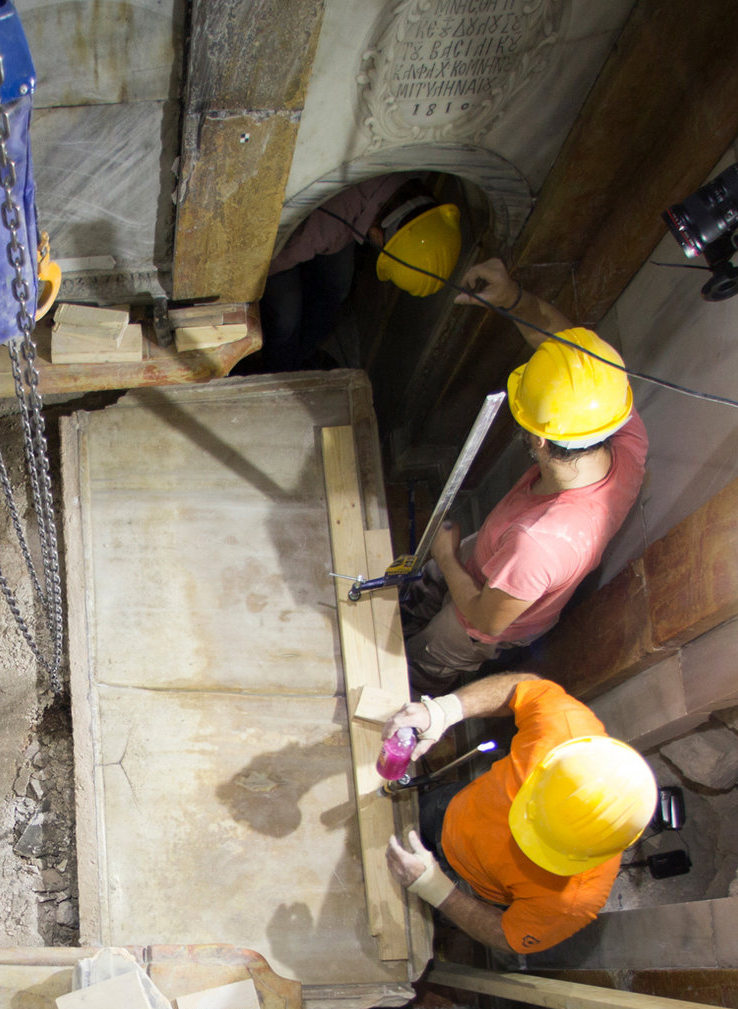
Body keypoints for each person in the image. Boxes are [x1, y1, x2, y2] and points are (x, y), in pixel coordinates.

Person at [399, 257, 647, 697]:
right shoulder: (623, 433)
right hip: (496, 559)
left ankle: (406, 678)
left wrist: (449, 557)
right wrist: (513, 298)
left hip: (476, 623)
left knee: (421, 658)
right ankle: (410, 610)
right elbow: (572, 363)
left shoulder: (541, 541)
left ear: (543, 442)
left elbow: (484, 617)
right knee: (423, 590)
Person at [380, 672, 656, 956]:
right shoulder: (562, 730)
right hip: (451, 808)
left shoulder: (575, 899)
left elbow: (508, 935)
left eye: (544, 845)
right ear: (547, 769)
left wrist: (436, 890)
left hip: (460, 884)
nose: (518, 836)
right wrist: (443, 711)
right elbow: (521, 689)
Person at [240, 176, 463, 373]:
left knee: (337, 287)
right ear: (376, 233)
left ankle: (301, 355)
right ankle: (280, 371)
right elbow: (268, 262)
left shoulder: (401, 184)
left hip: (345, 221)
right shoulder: (328, 227)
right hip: (276, 242)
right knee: (286, 315)